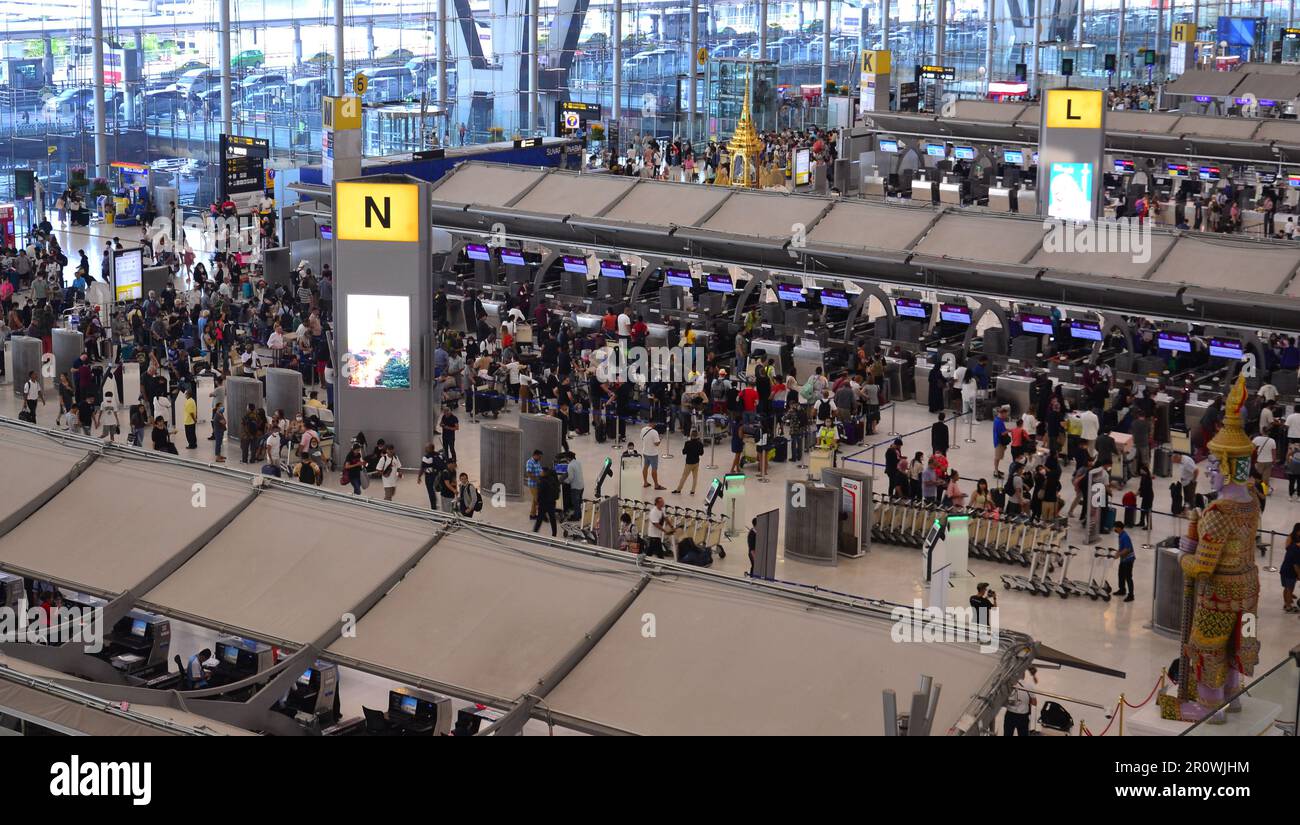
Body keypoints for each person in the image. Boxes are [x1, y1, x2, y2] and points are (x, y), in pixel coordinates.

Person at [1003, 668, 1038, 737]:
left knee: (1007, 734)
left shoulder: (1009, 684)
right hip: (1023, 716)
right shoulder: (1028, 686)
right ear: (1023, 675)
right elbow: (1034, 702)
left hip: (1010, 715)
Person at [674, 429, 704, 495]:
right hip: (696, 462)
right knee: (695, 477)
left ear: (691, 435)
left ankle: (678, 489)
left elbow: (683, 452)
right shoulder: (700, 444)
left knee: (684, 476)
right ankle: (692, 491)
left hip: (689, 463)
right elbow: (701, 453)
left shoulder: (687, 443)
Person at [532, 466, 561, 536]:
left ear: (545, 473)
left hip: (543, 503)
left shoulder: (542, 481)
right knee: (552, 518)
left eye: (541, 471)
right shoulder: (553, 480)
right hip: (552, 502)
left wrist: (537, 502)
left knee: (539, 518)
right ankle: (554, 534)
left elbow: (540, 493)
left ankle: (534, 532)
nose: (540, 472)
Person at [1114, 522, 1136, 602]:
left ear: (1119, 528)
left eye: (1115, 527)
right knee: (1121, 575)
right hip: (1123, 559)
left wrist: (1118, 554)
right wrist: (1117, 553)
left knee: (1128, 577)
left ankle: (1131, 595)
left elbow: (1127, 549)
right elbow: (1121, 547)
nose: (1114, 529)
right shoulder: (1121, 535)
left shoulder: (1125, 536)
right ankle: (1122, 590)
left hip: (1129, 560)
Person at [640, 422, 665, 489]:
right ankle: (656, 485)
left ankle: (645, 482)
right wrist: (660, 439)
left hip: (645, 452)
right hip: (653, 453)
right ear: (653, 423)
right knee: (654, 469)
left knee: (645, 467)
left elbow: (641, 438)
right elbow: (656, 443)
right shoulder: (654, 432)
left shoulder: (643, 429)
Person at [1283, 523, 1300, 613]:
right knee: (1288, 588)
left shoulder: (1295, 547)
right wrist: (1299, 574)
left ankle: (1287, 602)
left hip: (1287, 566)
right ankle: (1288, 605)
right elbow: (1295, 565)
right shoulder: (1293, 545)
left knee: (1288, 587)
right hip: (1290, 569)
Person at [992, 407, 1009, 479]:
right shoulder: (999, 422)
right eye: (1006, 414)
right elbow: (1002, 433)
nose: (1006, 416)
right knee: (997, 457)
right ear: (1002, 413)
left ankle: (996, 469)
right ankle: (996, 471)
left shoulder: (998, 420)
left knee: (998, 457)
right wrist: (1009, 431)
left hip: (998, 440)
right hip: (999, 442)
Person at [525, 449, 543, 518]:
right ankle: (541, 515)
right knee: (538, 500)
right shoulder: (530, 462)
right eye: (539, 457)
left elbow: (540, 470)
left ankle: (532, 515)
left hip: (537, 484)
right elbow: (529, 474)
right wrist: (537, 480)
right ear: (535, 455)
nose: (540, 458)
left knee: (535, 500)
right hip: (533, 484)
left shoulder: (537, 461)